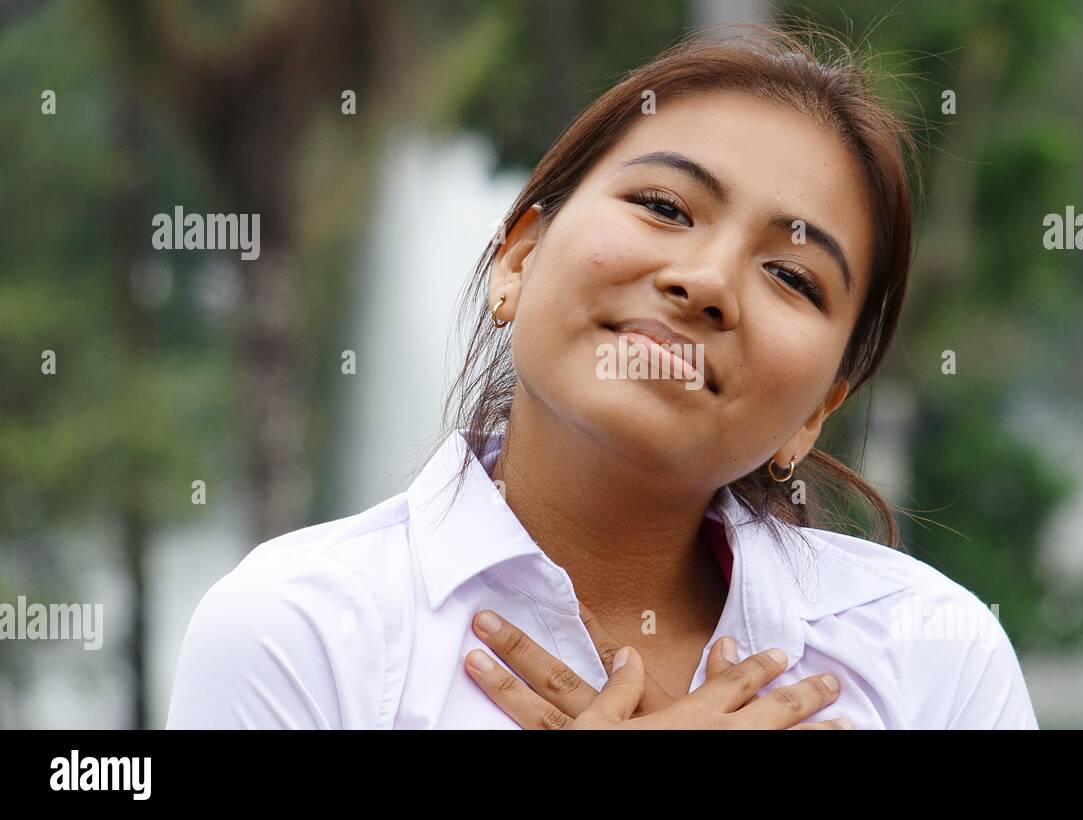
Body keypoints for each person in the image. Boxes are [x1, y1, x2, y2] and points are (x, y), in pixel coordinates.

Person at [166, 24, 1039, 730]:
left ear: (817, 412)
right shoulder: (299, 632)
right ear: (518, 259)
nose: (705, 283)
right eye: (664, 207)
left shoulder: (935, 654)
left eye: (792, 276)